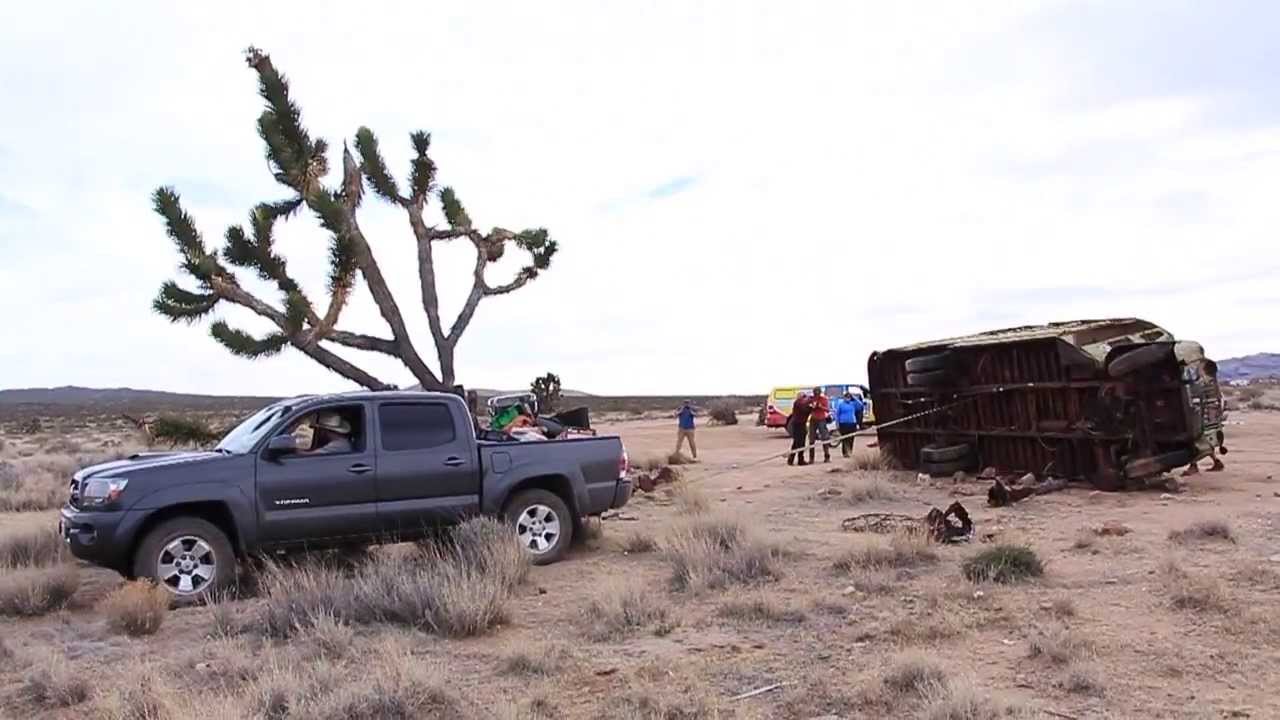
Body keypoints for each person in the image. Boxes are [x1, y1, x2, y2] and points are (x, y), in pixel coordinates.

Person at [807, 386, 832, 464]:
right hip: (813, 419)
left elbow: (827, 409)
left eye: (818, 393)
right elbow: (807, 407)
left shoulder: (823, 399)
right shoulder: (811, 399)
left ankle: (827, 456)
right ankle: (811, 459)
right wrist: (811, 406)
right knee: (811, 439)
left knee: (824, 438)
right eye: (815, 393)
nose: (816, 394)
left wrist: (820, 406)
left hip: (821, 419)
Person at [834, 391, 862, 458]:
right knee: (845, 438)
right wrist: (837, 424)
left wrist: (854, 398)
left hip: (852, 423)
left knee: (851, 438)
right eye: (846, 397)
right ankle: (845, 453)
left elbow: (860, 405)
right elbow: (837, 415)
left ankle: (850, 452)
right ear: (844, 398)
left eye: (849, 397)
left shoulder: (853, 404)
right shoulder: (841, 404)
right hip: (843, 423)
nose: (848, 398)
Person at [788, 392, 813, 466]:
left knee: (798, 443)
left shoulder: (800, 403)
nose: (805, 398)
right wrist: (811, 407)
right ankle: (799, 460)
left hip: (801, 424)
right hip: (797, 425)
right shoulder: (798, 403)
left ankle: (792, 459)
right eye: (804, 397)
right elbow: (805, 410)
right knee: (799, 443)